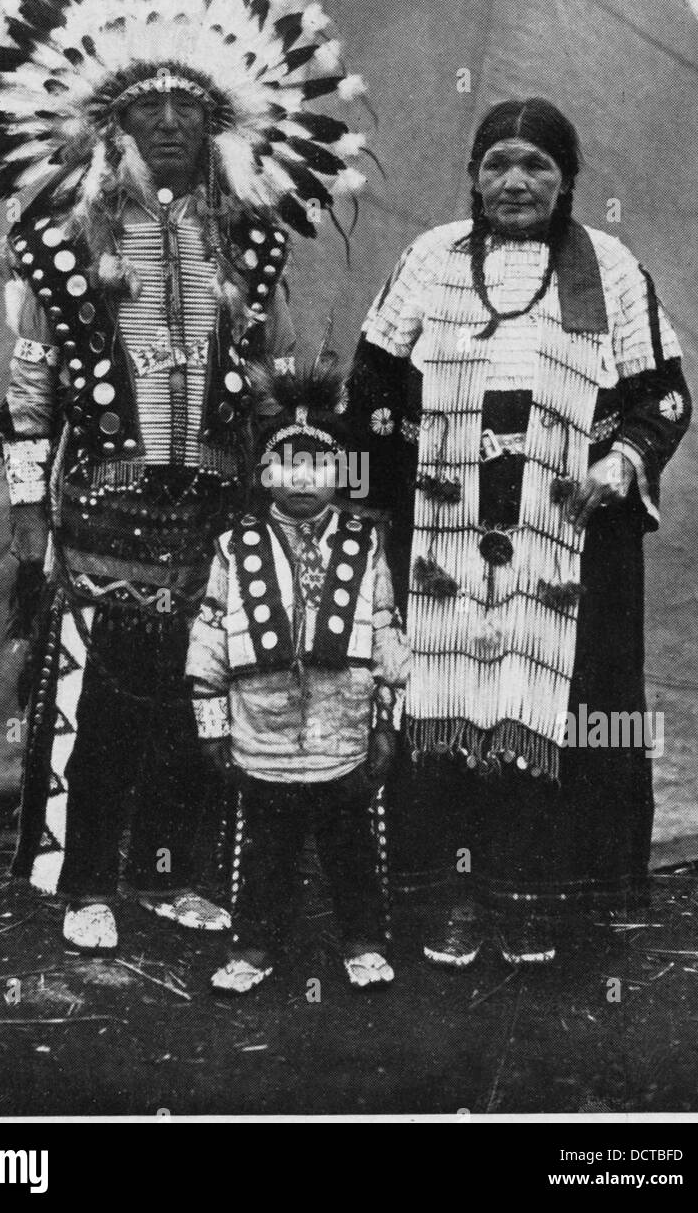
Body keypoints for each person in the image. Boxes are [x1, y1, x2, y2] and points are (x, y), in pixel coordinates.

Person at [0, 0, 368, 953]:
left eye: (191, 108)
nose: (171, 123)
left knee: (195, 700)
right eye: (150, 107)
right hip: (99, 512)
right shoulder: (55, 244)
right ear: (113, 122)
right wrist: (32, 516)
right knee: (105, 710)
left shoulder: (254, 241)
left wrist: (283, 494)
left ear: (217, 125)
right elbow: (33, 388)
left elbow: (269, 381)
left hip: (217, 516)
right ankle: (88, 878)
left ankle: (171, 872)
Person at [347, 98, 691, 966]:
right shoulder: (430, 258)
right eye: (498, 162)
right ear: (472, 175)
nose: (515, 181)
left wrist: (619, 463)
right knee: (446, 702)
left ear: (567, 180)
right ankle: (447, 903)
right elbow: (373, 386)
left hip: (571, 527)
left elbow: (665, 398)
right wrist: (417, 456)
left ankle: (546, 903)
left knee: (565, 712)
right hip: (445, 522)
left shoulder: (607, 266)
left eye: (537, 165)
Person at [186, 365, 410, 992]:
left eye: (318, 465)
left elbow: (387, 636)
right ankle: (252, 947)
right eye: (288, 464)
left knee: (353, 849)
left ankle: (364, 941)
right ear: (265, 472)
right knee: (264, 852)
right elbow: (208, 638)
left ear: (341, 473)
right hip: (263, 734)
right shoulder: (236, 544)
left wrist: (385, 729)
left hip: (344, 734)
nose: (303, 478)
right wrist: (212, 730)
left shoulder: (367, 545)